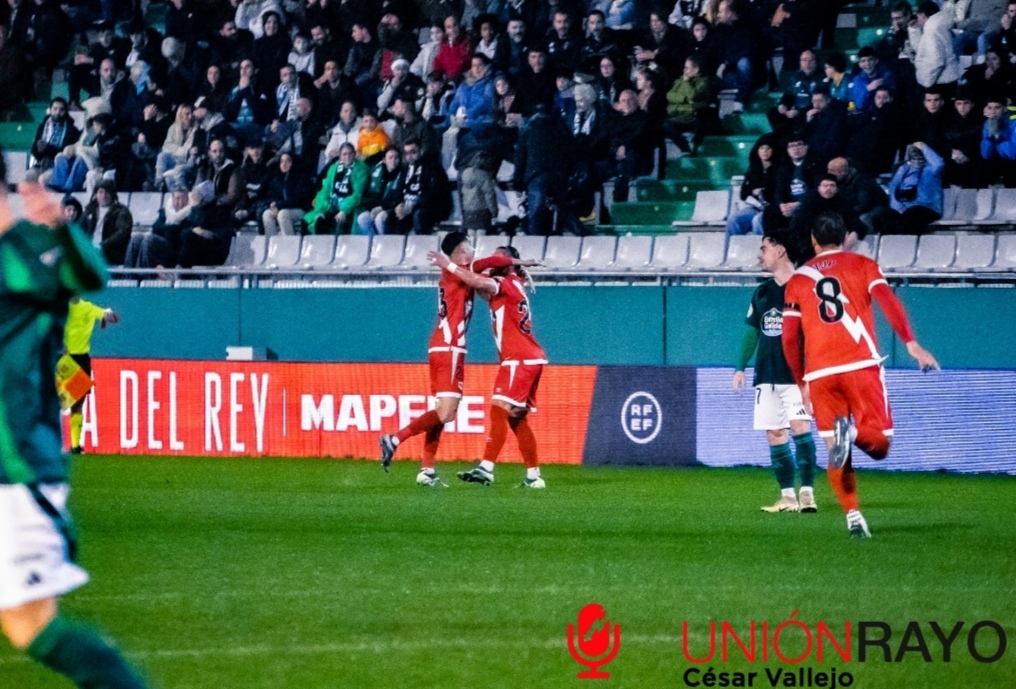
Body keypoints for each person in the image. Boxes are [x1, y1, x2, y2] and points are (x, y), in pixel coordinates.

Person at [0, 162, 150, 688]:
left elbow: (89, 277)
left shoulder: (19, 256)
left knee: (30, 625)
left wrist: (59, 229)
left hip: (15, 471)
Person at [782, 212, 940, 538]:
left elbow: (788, 338)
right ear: (844, 238)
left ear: (813, 240)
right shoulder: (863, 264)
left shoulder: (798, 279)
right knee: (880, 447)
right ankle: (851, 433)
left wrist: (802, 383)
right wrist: (911, 343)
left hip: (821, 373)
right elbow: (888, 301)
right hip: (860, 365)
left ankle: (854, 516)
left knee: (835, 453)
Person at [377, 232, 522, 485]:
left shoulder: (452, 273)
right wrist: (521, 264)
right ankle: (395, 439)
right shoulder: (460, 268)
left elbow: (484, 276)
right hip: (451, 346)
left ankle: (427, 470)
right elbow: (495, 261)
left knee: (440, 411)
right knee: (446, 413)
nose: (473, 251)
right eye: (470, 246)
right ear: (460, 251)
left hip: (440, 345)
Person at [435, 245, 548, 489]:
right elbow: (477, 284)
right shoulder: (512, 283)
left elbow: (478, 281)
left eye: (499, 257)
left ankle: (486, 468)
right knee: (517, 418)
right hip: (530, 357)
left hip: (518, 358)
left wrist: (450, 266)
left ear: (506, 262)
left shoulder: (505, 282)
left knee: (498, 409)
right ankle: (534, 477)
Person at [734, 232, 818, 513]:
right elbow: (751, 332)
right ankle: (787, 496)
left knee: (800, 428)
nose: (760, 255)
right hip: (767, 376)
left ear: (780, 250)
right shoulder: (762, 292)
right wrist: (740, 367)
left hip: (798, 377)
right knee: (775, 434)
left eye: (764, 248)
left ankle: (807, 492)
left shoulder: (806, 288)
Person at [62, 297, 120, 454]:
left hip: (81, 359)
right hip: (65, 359)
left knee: (77, 402)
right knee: (62, 402)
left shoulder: (87, 307)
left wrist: (108, 314)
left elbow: (114, 318)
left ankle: (75, 446)